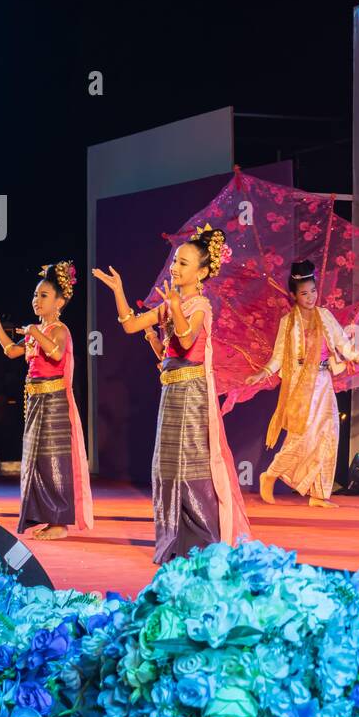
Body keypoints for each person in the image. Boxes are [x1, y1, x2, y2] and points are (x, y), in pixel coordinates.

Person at [93, 225, 250, 562]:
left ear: (203, 272)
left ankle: (203, 543)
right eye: (175, 261)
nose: (175, 268)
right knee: (167, 468)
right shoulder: (171, 304)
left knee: (190, 466)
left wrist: (174, 307)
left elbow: (187, 337)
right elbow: (131, 325)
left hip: (192, 397)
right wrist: (119, 290)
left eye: (183, 263)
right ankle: (174, 541)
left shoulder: (200, 307)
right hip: (172, 393)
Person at [0, 261, 94, 540]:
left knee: (53, 460)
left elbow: (57, 355)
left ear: (60, 301)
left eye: (44, 295)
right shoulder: (37, 330)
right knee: (36, 461)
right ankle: (45, 517)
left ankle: (60, 522)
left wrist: (35, 333)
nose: (36, 300)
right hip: (35, 401)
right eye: (35, 295)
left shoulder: (60, 330)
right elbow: (12, 351)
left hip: (54, 401)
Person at [246, 259, 359, 508]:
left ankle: (318, 494)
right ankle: (271, 474)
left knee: (329, 434)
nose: (310, 297)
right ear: (294, 295)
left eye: (313, 292)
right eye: (304, 293)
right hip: (300, 386)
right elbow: (278, 357)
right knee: (300, 437)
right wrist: (262, 373)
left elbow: (342, 343)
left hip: (323, 382)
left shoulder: (325, 315)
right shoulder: (288, 323)